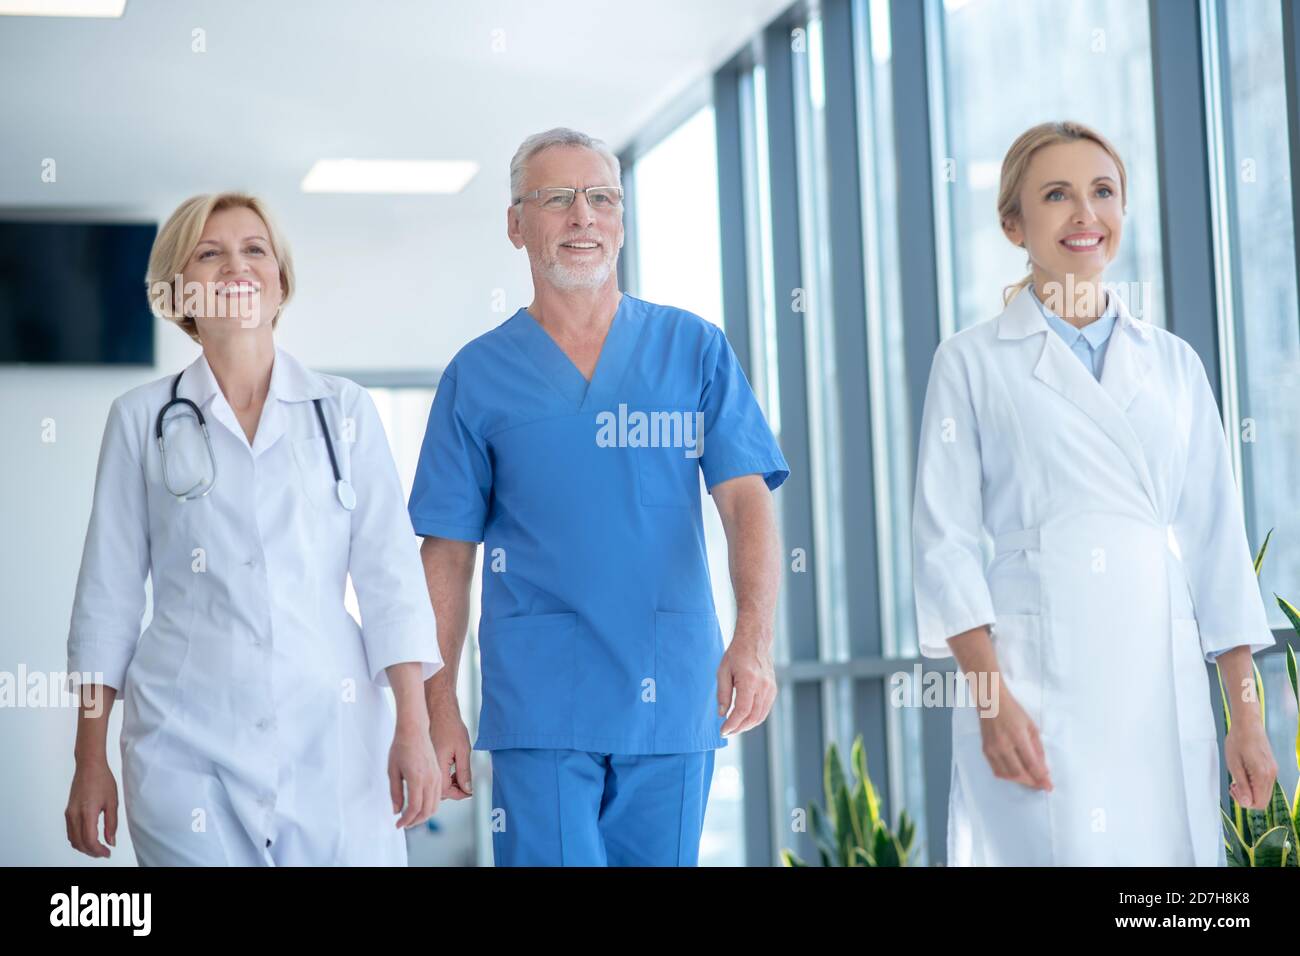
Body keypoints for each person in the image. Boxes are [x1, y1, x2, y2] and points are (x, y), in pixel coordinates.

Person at [409, 128, 788, 866]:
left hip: (674, 686)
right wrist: (437, 701)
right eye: (557, 198)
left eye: (602, 198)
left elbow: (746, 503)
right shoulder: (478, 376)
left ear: (620, 219)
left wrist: (754, 639)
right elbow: (447, 554)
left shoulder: (693, 349)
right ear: (517, 224)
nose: (583, 216)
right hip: (543, 698)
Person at [912, 120, 1279, 866]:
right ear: (1014, 223)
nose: (1086, 214)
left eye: (1103, 192)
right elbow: (943, 547)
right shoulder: (972, 362)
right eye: (1057, 195)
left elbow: (1218, 551)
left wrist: (1247, 718)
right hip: (1033, 685)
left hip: (1158, 679)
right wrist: (992, 702)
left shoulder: (1174, 364)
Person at [65, 192, 442, 865]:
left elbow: (390, 578)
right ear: (178, 290)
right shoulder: (139, 419)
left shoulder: (343, 411)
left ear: (280, 281)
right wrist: (89, 757)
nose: (236, 266)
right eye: (209, 254)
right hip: (184, 743)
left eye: (254, 250)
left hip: (335, 739)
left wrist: (415, 724)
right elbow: (108, 597)